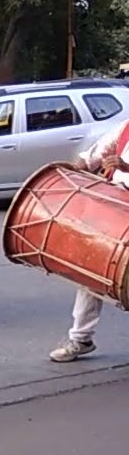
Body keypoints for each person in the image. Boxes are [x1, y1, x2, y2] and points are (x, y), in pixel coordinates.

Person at [47, 126, 129, 362]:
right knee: (92, 272)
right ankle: (81, 338)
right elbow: (94, 155)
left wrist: (126, 167)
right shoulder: (125, 128)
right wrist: (68, 174)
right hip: (114, 210)